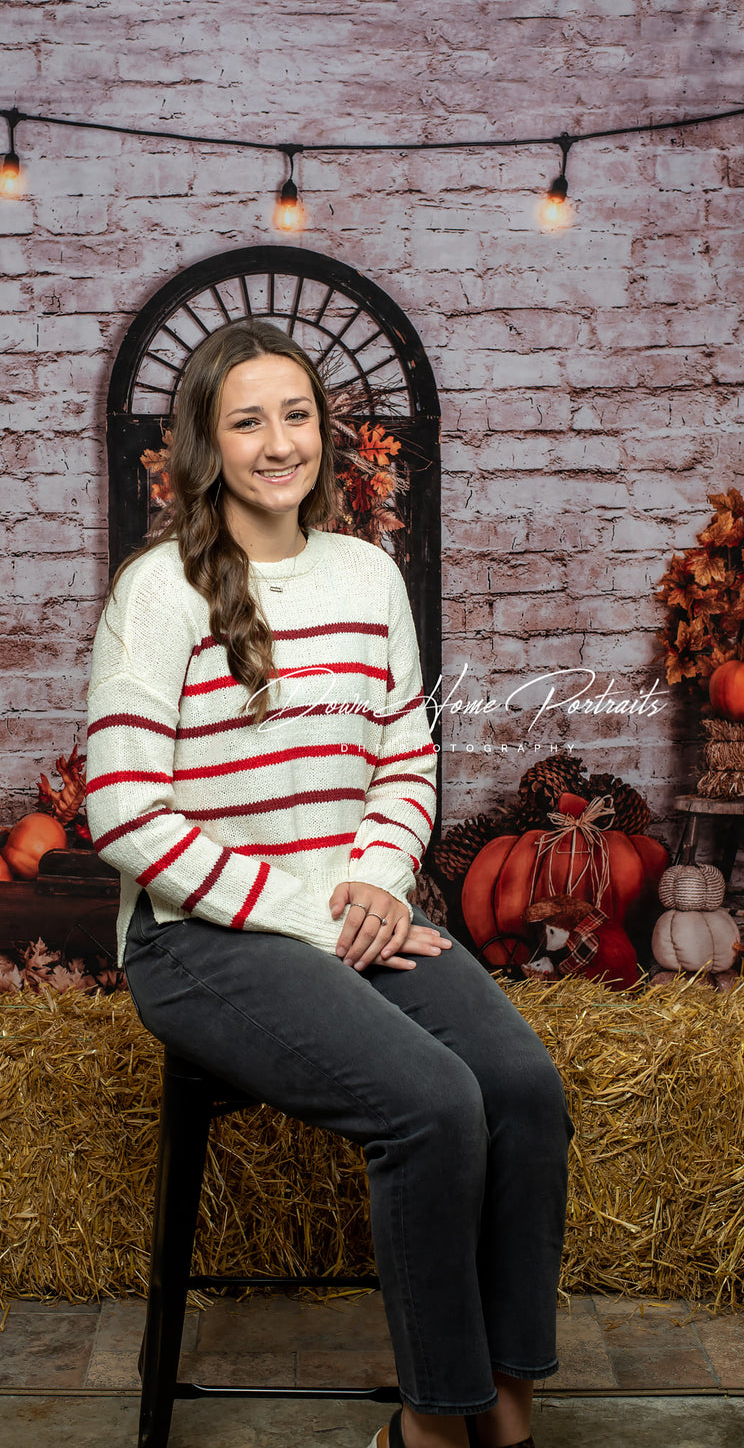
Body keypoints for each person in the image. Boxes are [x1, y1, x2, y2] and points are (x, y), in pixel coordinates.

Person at [84, 318, 574, 1448]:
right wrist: (317, 908)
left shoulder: (365, 576)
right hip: (198, 935)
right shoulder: (160, 591)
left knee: (520, 1086)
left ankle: (507, 1404)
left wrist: (379, 876)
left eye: (294, 414)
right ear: (205, 443)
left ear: (326, 432)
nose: (277, 441)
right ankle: (430, 1425)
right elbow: (122, 813)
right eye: (246, 419)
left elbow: (405, 753)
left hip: (352, 904)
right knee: (433, 1103)